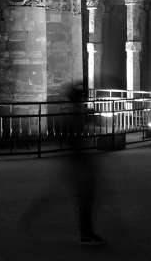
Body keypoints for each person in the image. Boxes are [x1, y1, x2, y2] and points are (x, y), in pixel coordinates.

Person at [65, 82, 107, 246]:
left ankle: (86, 232)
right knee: (86, 198)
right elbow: (76, 141)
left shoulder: (74, 113)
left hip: (78, 162)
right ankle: (86, 233)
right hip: (80, 163)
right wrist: (85, 162)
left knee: (86, 198)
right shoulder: (75, 115)